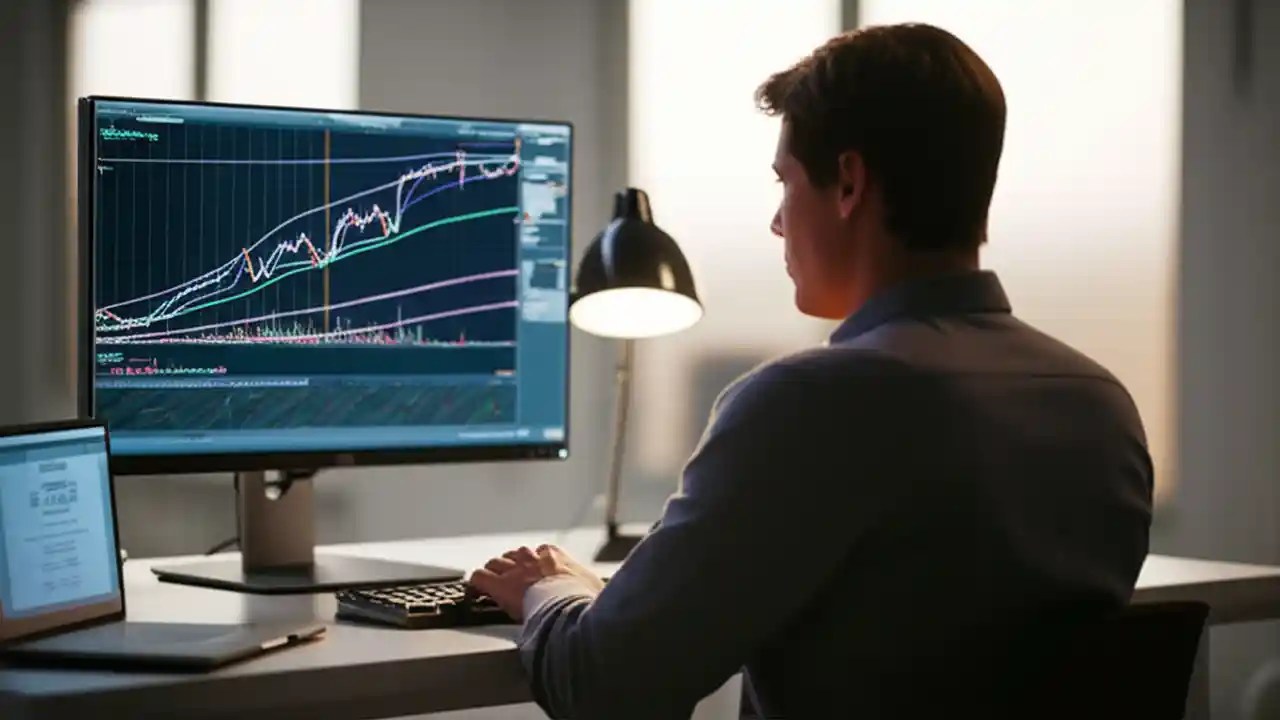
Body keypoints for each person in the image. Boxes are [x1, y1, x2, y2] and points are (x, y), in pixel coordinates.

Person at [469, 22, 1153, 719]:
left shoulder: (809, 403)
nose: (776, 222)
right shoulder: (1101, 405)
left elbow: (604, 685)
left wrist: (550, 589)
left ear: (849, 182)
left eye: (785, 181)